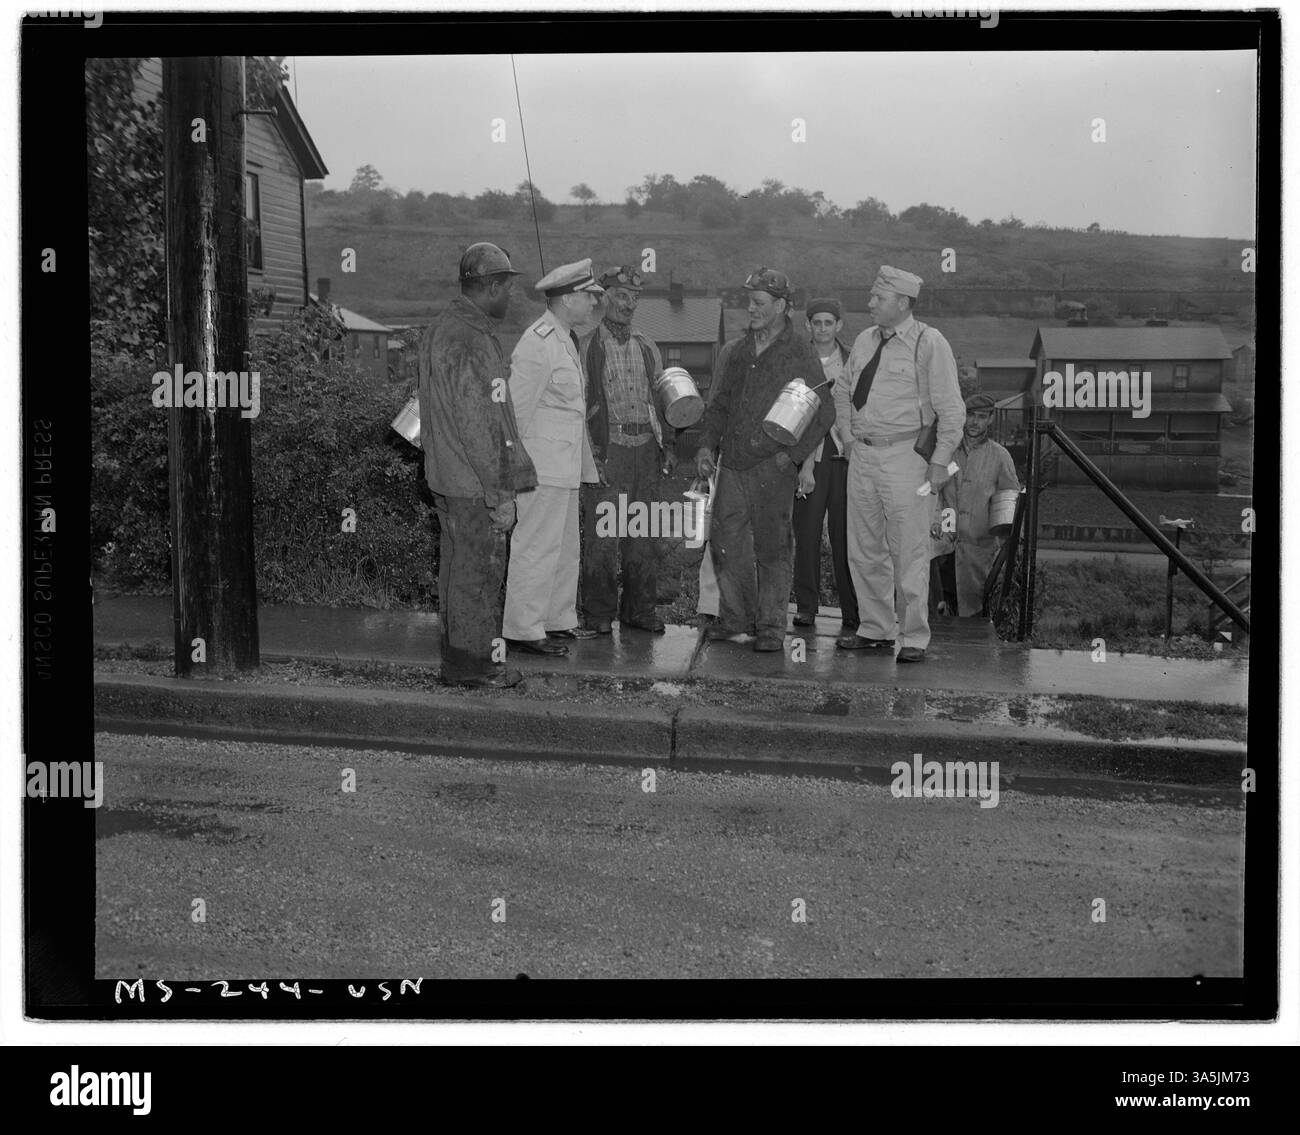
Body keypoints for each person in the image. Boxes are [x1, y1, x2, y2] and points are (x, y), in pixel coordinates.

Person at [695, 267, 834, 651]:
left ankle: (771, 628)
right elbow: (719, 404)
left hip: (772, 468)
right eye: (748, 301)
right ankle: (737, 619)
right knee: (725, 543)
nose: (750, 309)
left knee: (773, 548)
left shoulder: (799, 352)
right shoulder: (737, 352)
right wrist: (706, 446)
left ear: (781, 306)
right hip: (734, 466)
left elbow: (824, 412)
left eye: (758, 303)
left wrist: (792, 457)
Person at [832, 266, 965, 663]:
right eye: (872, 296)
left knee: (909, 551)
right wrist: (850, 439)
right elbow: (842, 390)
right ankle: (875, 628)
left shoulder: (929, 343)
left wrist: (940, 462)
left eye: (879, 297)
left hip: (907, 458)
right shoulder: (863, 340)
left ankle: (913, 636)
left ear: (903, 303)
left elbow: (951, 409)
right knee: (864, 548)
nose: (870, 303)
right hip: (863, 457)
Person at [418, 242, 536, 689]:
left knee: (455, 574)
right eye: (507, 286)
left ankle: (459, 662)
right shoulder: (469, 339)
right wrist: (500, 494)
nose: (511, 296)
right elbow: (480, 427)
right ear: (489, 286)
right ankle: (476, 668)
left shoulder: (442, 328)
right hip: (473, 485)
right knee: (479, 576)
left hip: (447, 476)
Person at [501, 258, 604, 655]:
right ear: (566, 300)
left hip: (563, 468)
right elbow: (516, 411)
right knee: (535, 545)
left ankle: (557, 619)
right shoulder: (538, 341)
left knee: (563, 548)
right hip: (539, 468)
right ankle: (524, 628)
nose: (593, 304)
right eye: (586, 296)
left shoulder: (564, 338)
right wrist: (513, 465)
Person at [581, 265, 677, 634]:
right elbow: (579, 408)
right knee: (603, 539)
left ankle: (639, 611)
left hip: (646, 452)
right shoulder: (588, 346)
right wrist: (592, 457)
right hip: (610, 452)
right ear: (603, 298)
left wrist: (668, 444)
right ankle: (599, 616)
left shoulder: (647, 345)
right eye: (621, 296)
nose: (628, 304)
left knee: (644, 537)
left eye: (634, 298)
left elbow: (665, 400)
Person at [791, 297, 858, 636]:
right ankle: (806, 607)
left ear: (838, 326)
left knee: (847, 536)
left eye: (828, 323)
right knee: (807, 533)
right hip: (809, 454)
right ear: (808, 326)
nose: (821, 329)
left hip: (846, 454)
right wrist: (804, 464)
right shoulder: (798, 359)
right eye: (816, 323)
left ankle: (852, 610)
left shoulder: (853, 359)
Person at [939, 391, 1021, 617]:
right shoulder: (946, 452)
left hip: (979, 554)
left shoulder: (999, 457)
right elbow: (934, 494)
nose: (975, 422)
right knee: (940, 615)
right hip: (945, 549)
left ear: (991, 419)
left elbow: (1009, 504)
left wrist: (1005, 545)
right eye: (971, 415)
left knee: (975, 617)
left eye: (982, 416)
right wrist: (943, 531)